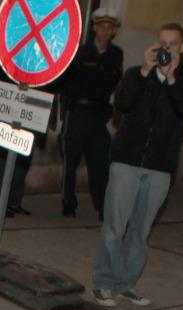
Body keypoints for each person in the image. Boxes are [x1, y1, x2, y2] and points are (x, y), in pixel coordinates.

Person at [91, 22, 183, 308]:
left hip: (160, 167)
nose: (167, 49)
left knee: (140, 231)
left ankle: (126, 284)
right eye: (162, 43)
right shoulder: (136, 74)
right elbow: (122, 103)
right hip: (126, 162)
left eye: (173, 44)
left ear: (182, 47)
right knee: (114, 227)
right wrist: (144, 71)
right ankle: (104, 283)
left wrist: (172, 78)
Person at [55, 7, 123, 219]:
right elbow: (65, 82)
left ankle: (103, 207)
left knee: (100, 163)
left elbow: (113, 82)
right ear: (94, 28)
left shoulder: (116, 55)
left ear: (114, 31)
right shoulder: (80, 52)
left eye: (109, 27)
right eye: (101, 26)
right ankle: (68, 203)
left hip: (98, 116)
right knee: (70, 161)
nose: (105, 31)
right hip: (77, 113)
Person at [0, 49, 34, 217]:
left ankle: (13, 201)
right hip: (9, 109)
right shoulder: (8, 49)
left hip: (29, 110)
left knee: (24, 158)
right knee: (4, 159)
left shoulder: (36, 55)